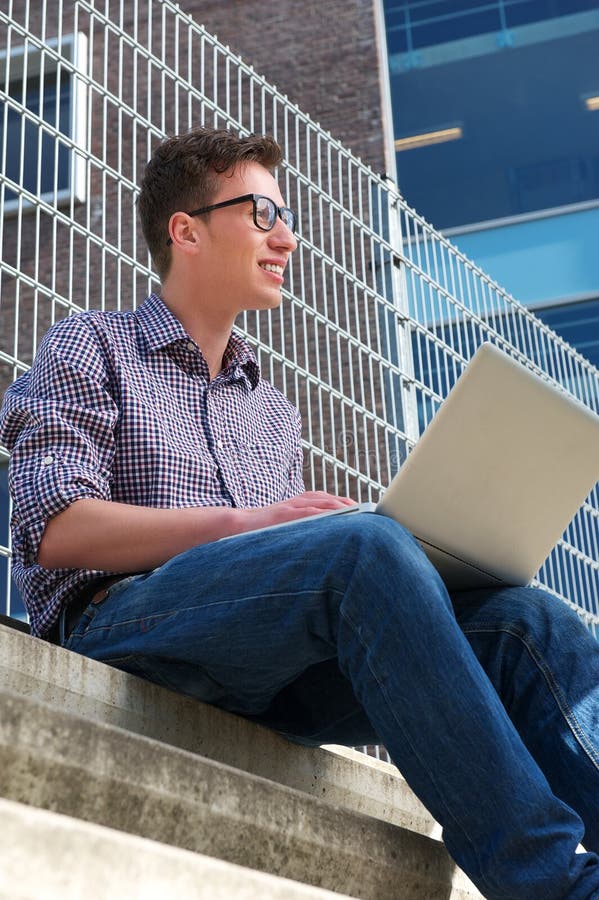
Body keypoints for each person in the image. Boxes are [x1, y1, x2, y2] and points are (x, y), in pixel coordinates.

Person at [1, 126, 598, 900]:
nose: (286, 238)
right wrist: (252, 523)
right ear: (186, 230)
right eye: (260, 214)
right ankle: (551, 884)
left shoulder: (274, 413)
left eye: (286, 218)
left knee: (526, 620)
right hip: (120, 627)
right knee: (361, 548)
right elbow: (53, 530)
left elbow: (291, 583)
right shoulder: (91, 345)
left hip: (266, 672)